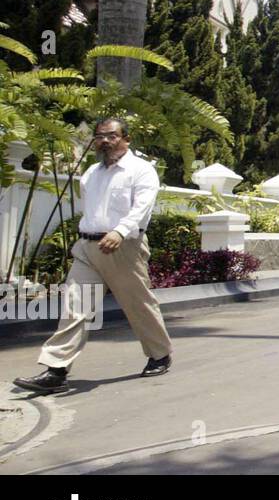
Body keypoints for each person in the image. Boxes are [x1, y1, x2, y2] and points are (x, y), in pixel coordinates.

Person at [13, 118, 172, 394]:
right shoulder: (91, 174)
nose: (105, 141)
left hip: (123, 247)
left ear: (127, 139)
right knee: (75, 306)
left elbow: (142, 208)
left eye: (111, 136)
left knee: (138, 304)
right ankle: (56, 370)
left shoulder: (141, 170)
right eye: (99, 136)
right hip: (88, 249)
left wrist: (120, 231)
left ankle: (160, 354)